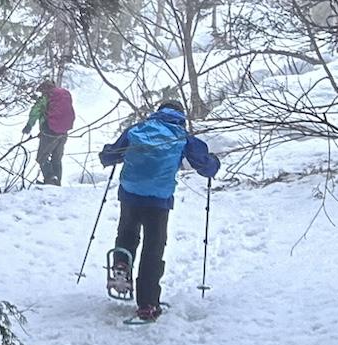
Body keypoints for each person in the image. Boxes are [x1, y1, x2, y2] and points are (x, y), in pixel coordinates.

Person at [98, 99, 219, 321]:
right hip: (158, 200)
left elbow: (110, 156)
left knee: (127, 233)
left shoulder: (137, 129)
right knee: (153, 247)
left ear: (159, 111)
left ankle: (121, 264)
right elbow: (205, 167)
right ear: (181, 116)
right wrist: (214, 162)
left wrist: (107, 152)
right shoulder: (182, 137)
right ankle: (148, 304)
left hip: (130, 194)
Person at [22, 79, 75, 185]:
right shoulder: (64, 95)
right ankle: (57, 181)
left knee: (42, 157)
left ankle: (50, 179)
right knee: (57, 158)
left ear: (45, 89)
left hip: (49, 131)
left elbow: (35, 111)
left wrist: (29, 126)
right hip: (63, 132)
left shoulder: (46, 98)